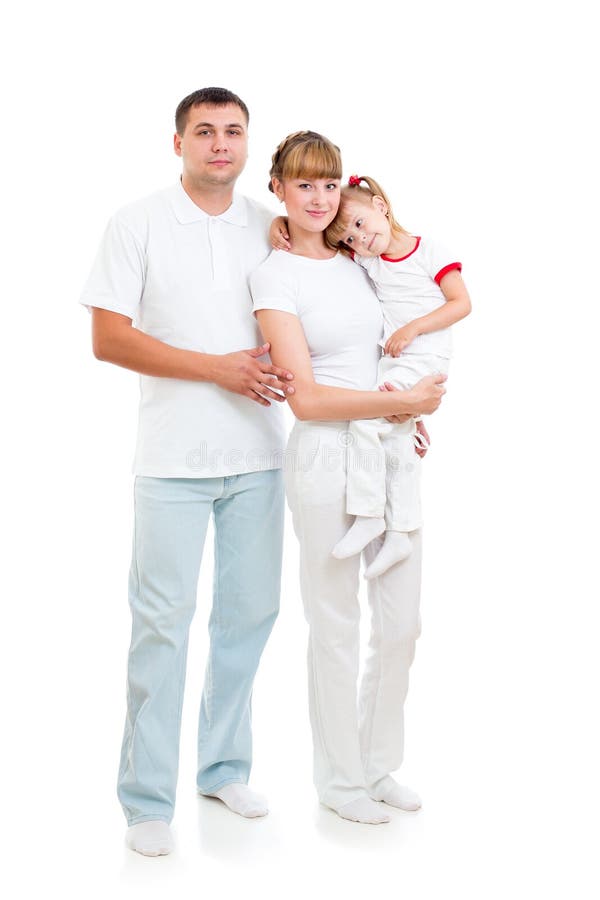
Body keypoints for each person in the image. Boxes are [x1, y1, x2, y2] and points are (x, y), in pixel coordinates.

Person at [80, 87, 296, 857]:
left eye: (233, 132)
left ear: (247, 145)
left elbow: (327, 319)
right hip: (170, 462)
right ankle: (145, 800)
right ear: (177, 143)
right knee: (161, 629)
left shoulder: (272, 229)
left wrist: (394, 407)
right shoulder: (135, 223)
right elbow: (109, 338)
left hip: (261, 458)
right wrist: (215, 369)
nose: (219, 144)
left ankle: (224, 766)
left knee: (248, 618)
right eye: (203, 131)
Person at [250, 131, 446, 824]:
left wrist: (402, 411)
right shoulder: (275, 275)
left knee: (402, 624)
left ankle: (375, 763)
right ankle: (338, 784)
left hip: (383, 449)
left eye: (329, 184)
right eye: (304, 184)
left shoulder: (355, 260)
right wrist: (398, 402)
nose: (319, 198)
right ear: (278, 188)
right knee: (335, 622)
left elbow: (397, 330)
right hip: (325, 456)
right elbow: (305, 397)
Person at [322, 174, 472, 578]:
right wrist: (277, 225)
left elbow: (461, 304)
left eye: (359, 224)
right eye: (349, 239)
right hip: (397, 362)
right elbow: (317, 243)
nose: (359, 240)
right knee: (397, 437)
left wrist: (412, 329)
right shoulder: (371, 261)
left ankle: (370, 514)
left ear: (380, 207)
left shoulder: (428, 251)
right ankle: (402, 530)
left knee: (366, 419)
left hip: (425, 355)